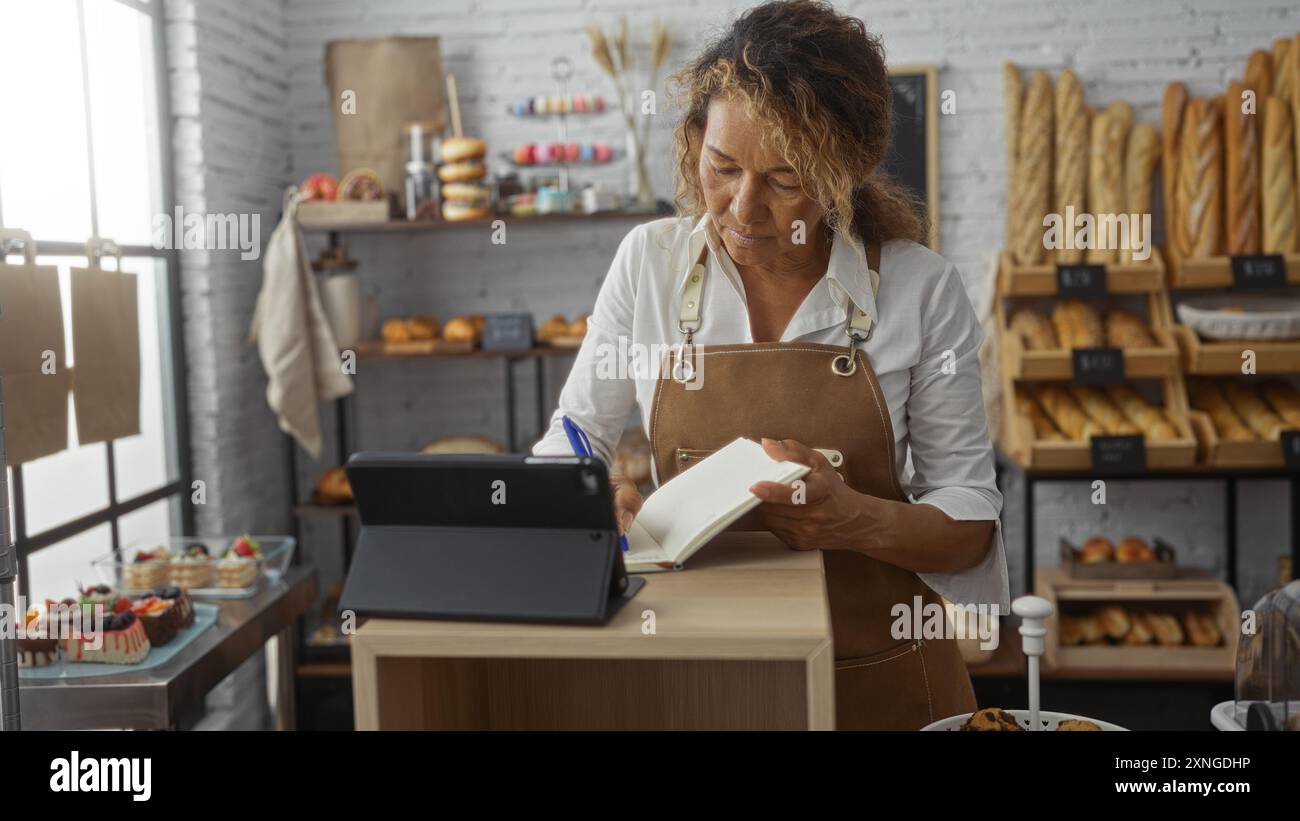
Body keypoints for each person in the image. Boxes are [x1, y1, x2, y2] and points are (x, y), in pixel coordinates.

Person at [534, 0, 1007, 730]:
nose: (743, 208)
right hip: (702, 680)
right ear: (696, 140)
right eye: (722, 167)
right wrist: (587, 495)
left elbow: (968, 519)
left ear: (842, 173)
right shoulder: (649, 264)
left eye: (785, 181)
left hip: (883, 683)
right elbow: (568, 439)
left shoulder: (921, 289)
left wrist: (851, 520)